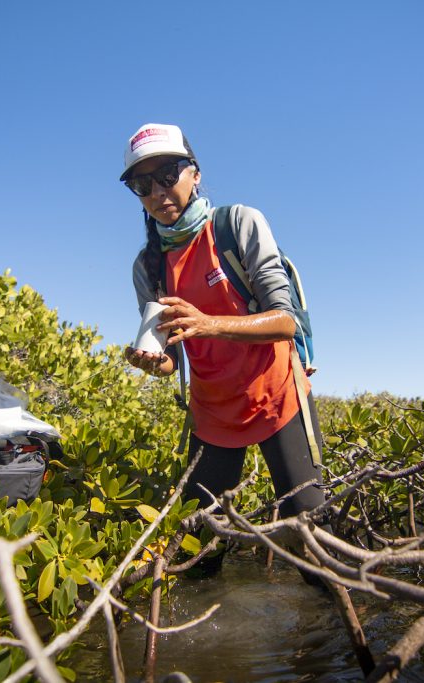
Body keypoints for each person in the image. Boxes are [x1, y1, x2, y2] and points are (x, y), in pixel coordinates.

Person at [120, 122, 327, 558]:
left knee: (313, 544)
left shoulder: (238, 225)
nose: (157, 192)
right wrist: (152, 363)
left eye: (167, 175)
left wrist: (209, 323)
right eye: (142, 184)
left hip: (278, 396)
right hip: (212, 412)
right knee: (198, 553)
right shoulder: (148, 267)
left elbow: (285, 321)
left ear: (194, 174)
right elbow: (171, 357)